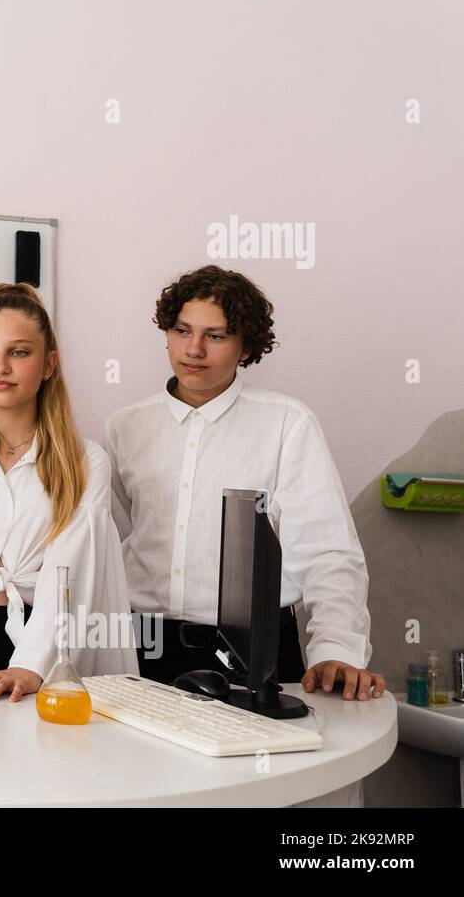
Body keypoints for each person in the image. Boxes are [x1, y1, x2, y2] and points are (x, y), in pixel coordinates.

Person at [104, 265, 385, 700]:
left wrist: (336, 649)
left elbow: (328, 552)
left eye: (215, 336)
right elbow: (109, 544)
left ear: (246, 346)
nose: (194, 349)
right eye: (182, 330)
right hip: (141, 648)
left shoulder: (287, 424)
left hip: (255, 652)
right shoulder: (124, 427)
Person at [0, 283, 137, 700]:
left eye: (18, 352)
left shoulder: (85, 461)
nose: (0, 366)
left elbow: (69, 572)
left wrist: (29, 667)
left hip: (48, 643)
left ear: (48, 364)